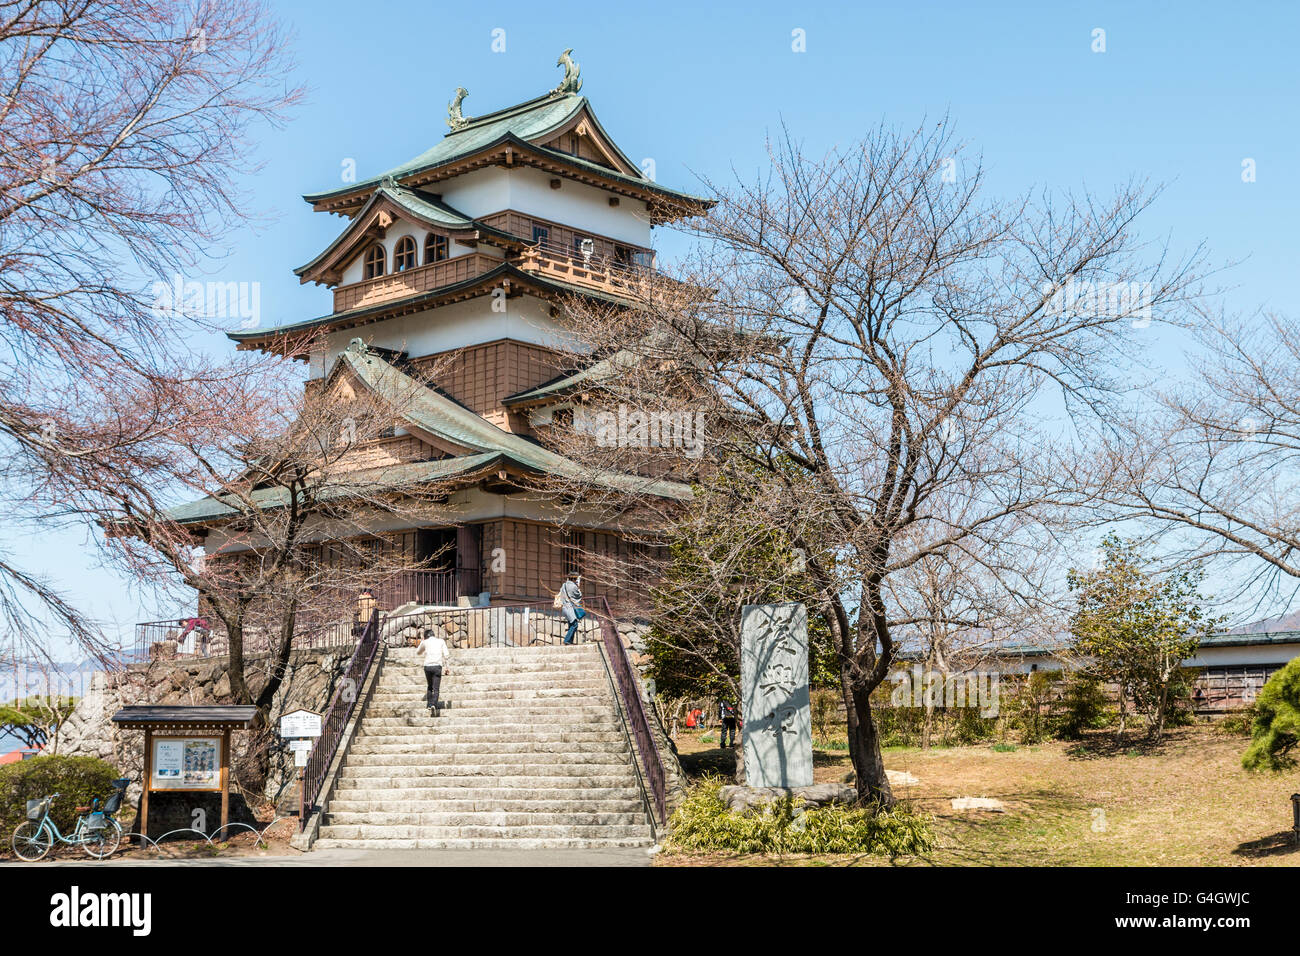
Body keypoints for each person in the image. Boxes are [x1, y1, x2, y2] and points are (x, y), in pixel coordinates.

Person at [416, 627, 450, 714]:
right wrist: (447, 667)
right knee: (436, 688)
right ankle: (434, 704)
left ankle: (429, 704)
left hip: (427, 666)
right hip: (437, 666)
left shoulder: (425, 642)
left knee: (430, 686)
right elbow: (446, 655)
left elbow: (418, 652)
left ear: (426, 636)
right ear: (433, 635)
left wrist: (422, 641)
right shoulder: (441, 641)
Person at [559, 572, 584, 645]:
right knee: (574, 624)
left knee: (571, 623)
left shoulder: (564, 585)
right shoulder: (573, 586)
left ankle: (570, 641)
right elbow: (578, 596)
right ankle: (566, 640)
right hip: (570, 607)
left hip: (564, 607)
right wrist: (578, 587)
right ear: (574, 578)